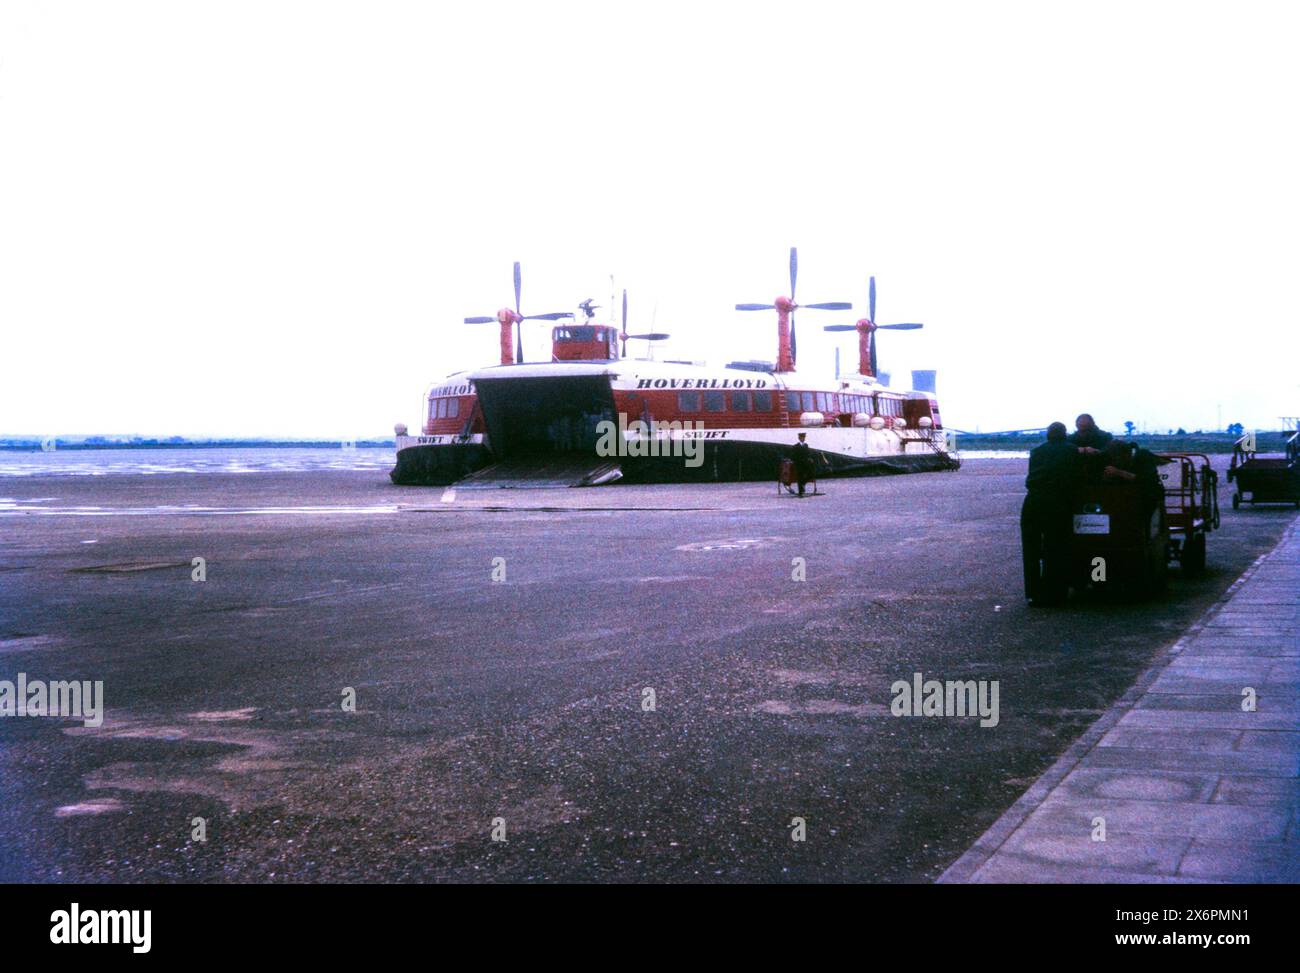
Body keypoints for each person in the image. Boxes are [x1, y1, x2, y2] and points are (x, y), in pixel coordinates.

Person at [1022, 422, 1080, 605]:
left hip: (1033, 502)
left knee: (1031, 550)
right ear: (1065, 434)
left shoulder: (1036, 451)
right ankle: (1056, 593)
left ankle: (1034, 594)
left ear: (1048, 435)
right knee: (1055, 549)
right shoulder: (1072, 450)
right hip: (1058, 503)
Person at [790, 432, 815, 497]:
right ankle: (800, 492)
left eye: (803, 437)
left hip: (806, 464)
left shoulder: (806, 445)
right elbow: (793, 456)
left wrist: (810, 459)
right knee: (799, 478)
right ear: (799, 438)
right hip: (799, 464)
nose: (803, 439)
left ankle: (803, 484)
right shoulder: (795, 446)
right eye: (801, 437)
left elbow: (808, 454)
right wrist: (796, 462)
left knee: (811, 474)